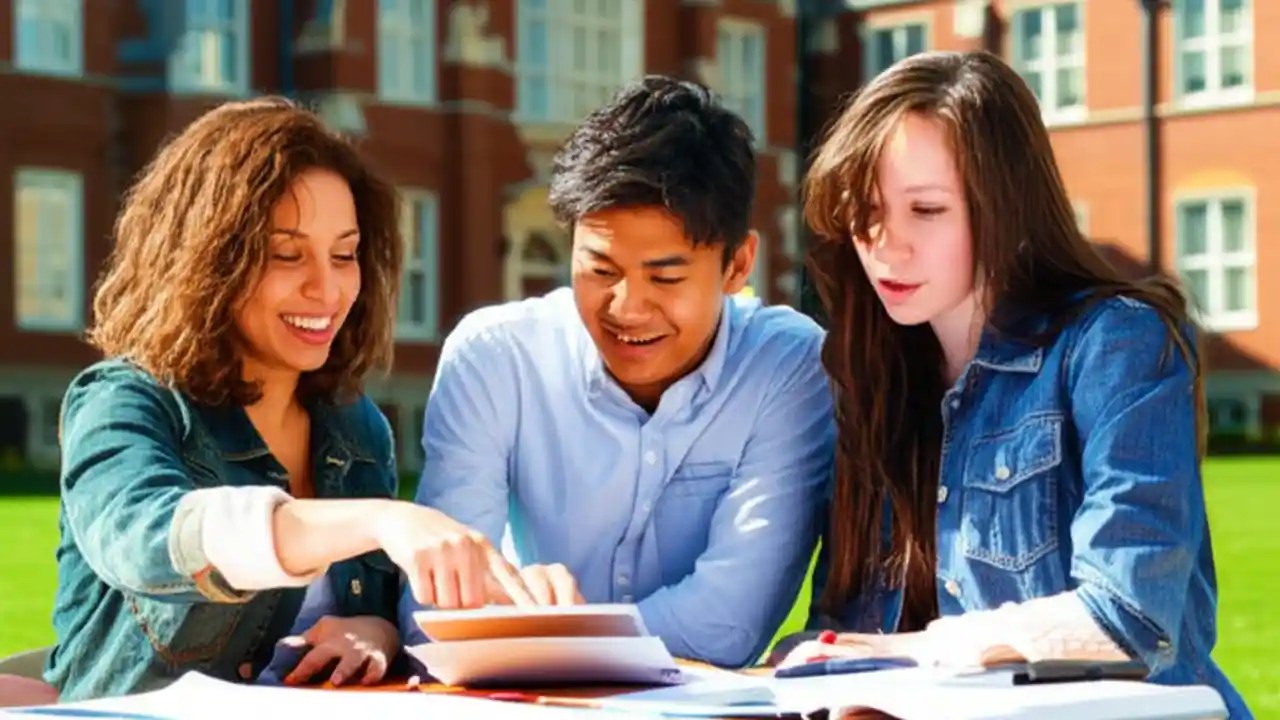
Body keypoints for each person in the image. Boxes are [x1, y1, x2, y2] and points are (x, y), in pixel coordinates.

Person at [774, 51, 1250, 718]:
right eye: (866, 211)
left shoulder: (1116, 343)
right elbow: (846, 630)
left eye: (928, 210)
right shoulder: (873, 379)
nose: (887, 244)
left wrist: (925, 648)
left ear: (1005, 207)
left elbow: (1129, 615)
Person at [46, 97, 543, 702]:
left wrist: (377, 633)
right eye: (286, 254)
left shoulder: (356, 429)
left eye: (344, 254)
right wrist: (380, 519)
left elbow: (383, 608)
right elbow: (147, 541)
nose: (326, 288)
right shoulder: (123, 403)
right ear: (207, 261)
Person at [399, 76, 835, 668]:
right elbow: (437, 614)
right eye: (600, 269)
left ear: (737, 265)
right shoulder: (495, 359)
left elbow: (729, 620)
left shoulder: (787, 369)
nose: (626, 308)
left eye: (665, 277)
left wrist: (551, 633)